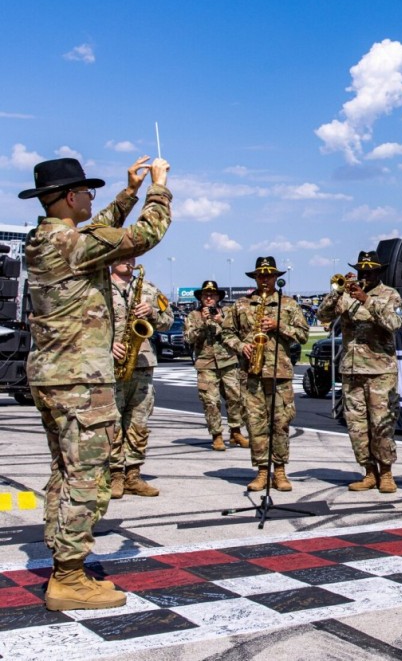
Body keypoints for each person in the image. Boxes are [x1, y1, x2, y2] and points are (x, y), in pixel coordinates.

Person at [20, 154, 171, 611]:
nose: (92, 198)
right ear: (69, 196)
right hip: (80, 381)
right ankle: (67, 578)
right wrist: (158, 189)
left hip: (56, 376)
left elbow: (98, 230)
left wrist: (127, 193)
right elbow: (144, 235)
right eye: (86, 192)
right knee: (86, 477)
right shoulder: (72, 243)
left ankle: (68, 565)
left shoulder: (51, 237)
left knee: (65, 474)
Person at [317, 251, 402, 493]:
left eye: (370, 271)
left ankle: (386, 473)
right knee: (357, 426)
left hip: (380, 371)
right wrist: (337, 292)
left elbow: (395, 324)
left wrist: (366, 300)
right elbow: (322, 315)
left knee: (381, 425)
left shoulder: (390, 295)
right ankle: (368, 472)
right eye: (361, 271)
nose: (365, 275)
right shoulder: (346, 294)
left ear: (378, 272)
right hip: (352, 370)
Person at [222, 256, 310, 492]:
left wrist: (278, 326)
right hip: (251, 374)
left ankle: (280, 471)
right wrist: (242, 346)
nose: (265, 278)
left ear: (276, 278)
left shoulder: (288, 304)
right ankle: (262, 471)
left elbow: (303, 334)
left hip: (279, 374)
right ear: (255, 277)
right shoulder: (241, 305)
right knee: (255, 424)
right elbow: (226, 333)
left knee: (280, 423)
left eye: (269, 274)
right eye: (261, 275)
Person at [108, 257, 174, 497]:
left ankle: (133, 475)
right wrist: (107, 345)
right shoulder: (99, 287)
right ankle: (114, 474)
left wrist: (153, 313)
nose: (127, 260)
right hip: (110, 364)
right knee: (112, 422)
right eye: (121, 256)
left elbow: (169, 321)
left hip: (143, 363)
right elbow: (86, 323)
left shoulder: (149, 288)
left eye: (131, 256)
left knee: (138, 422)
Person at [184, 280, 248, 451]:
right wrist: (203, 324)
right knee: (210, 401)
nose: (209, 298)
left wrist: (221, 321)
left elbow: (240, 333)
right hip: (206, 363)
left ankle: (236, 431)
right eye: (206, 295)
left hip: (228, 360)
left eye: (212, 295)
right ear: (201, 298)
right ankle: (217, 435)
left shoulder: (227, 313)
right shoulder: (193, 316)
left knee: (236, 397)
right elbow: (188, 339)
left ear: (218, 297)